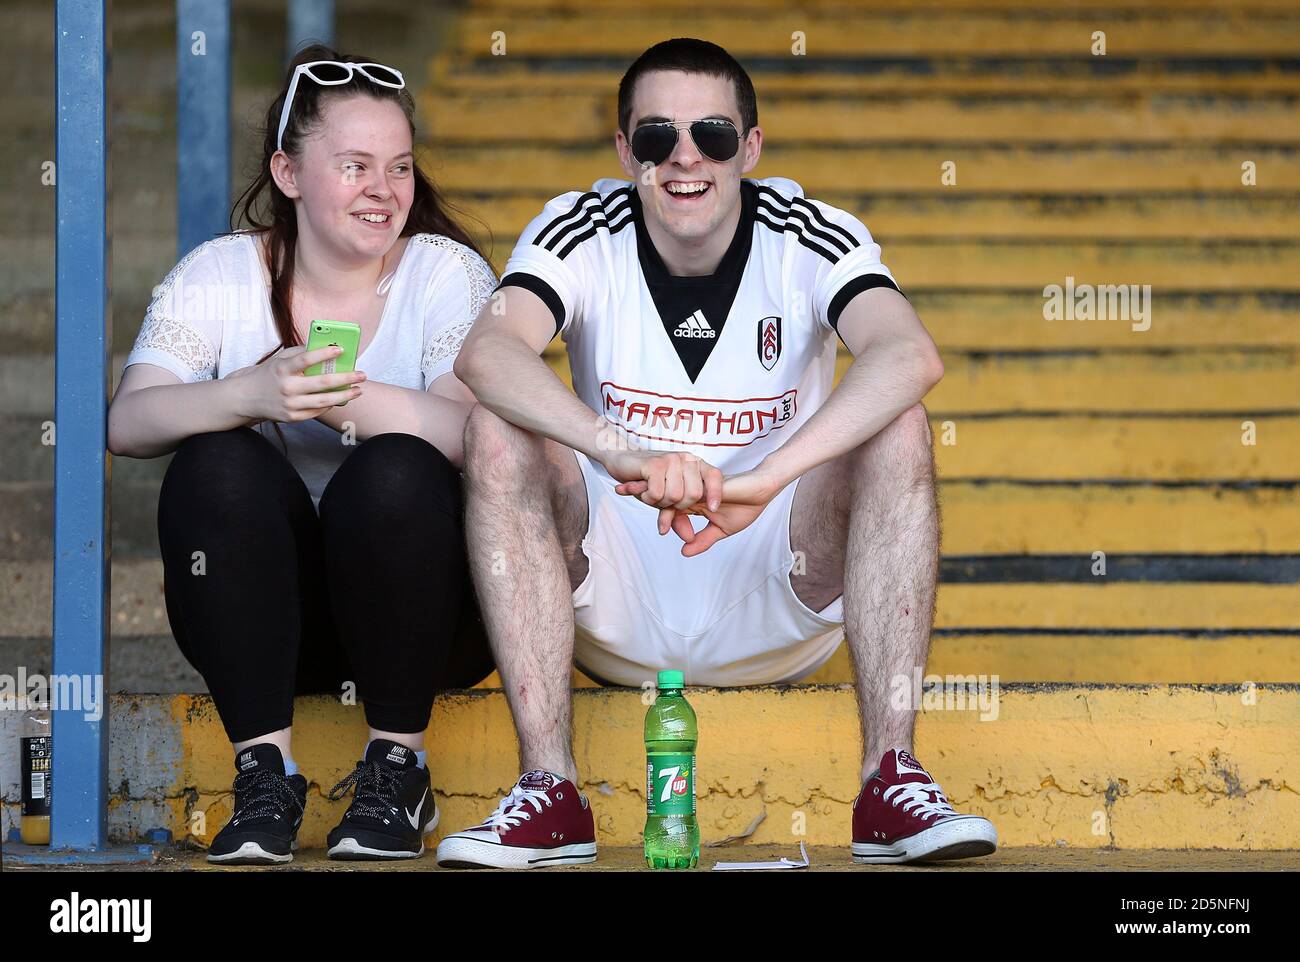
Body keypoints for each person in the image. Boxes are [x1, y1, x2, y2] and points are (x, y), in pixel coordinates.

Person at [438, 38, 997, 868]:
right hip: (612, 588)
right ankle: (550, 789)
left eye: (715, 135)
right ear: (627, 152)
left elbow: (908, 355)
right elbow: (486, 355)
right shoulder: (580, 225)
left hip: (778, 577)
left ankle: (890, 779)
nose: (686, 158)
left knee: (903, 425)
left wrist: (766, 482)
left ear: (753, 148)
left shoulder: (805, 231)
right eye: (658, 137)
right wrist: (620, 452)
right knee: (492, 428)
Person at [107, 45, 496, 864]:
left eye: (399, 167)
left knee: (394, 468)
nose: (384, 191)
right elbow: (129, 422)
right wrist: (248, 394)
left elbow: (478, 439)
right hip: (267, 624)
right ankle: (266, 774)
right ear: (287, 173)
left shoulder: (444, 272)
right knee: (215, 461)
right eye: (354, 165)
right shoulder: (220, 273)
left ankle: (400, 768)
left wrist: (348, 397)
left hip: (427, 621)